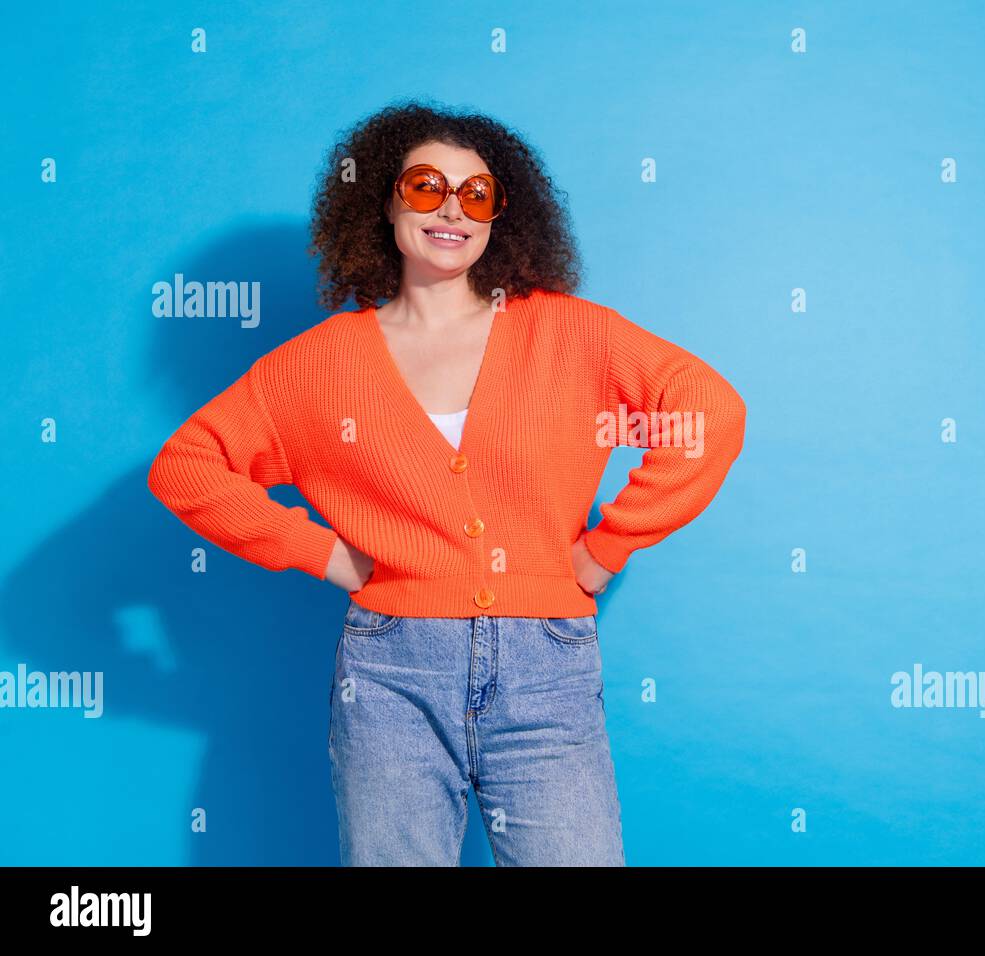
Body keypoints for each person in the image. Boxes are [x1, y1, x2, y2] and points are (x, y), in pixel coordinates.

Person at [146, 100, 747, 866]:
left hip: (547, 667)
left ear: (501, 215)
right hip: (388, 672)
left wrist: (606, 549)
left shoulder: (567, 333)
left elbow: (707, 412)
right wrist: (322, 554)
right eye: (427, 187)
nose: (452, 211)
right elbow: (187, 466)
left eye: (477, 194)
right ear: (385, 202)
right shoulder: (317, 365)